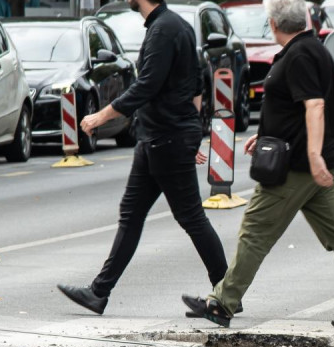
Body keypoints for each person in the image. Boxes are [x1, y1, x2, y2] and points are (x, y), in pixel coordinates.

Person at [181, 0, 334, 329]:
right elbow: (291, 107)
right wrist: (262, 135)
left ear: (273, 24)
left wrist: (314, 156)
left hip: (296, 167)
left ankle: (222, 303)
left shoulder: (300, 56)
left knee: (254, 232)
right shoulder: (312, 49)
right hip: (313, 166)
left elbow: (314, 106)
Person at [56, 0, 226, 315]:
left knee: (190, 217)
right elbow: (196, 85)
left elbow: (146, 86)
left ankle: (227, 295)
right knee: (132, 215)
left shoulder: (164, 29)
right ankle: (98, 292)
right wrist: (192, 131)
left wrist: (100, 117)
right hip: (159, 137)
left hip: (166, 138)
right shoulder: (175, 26)